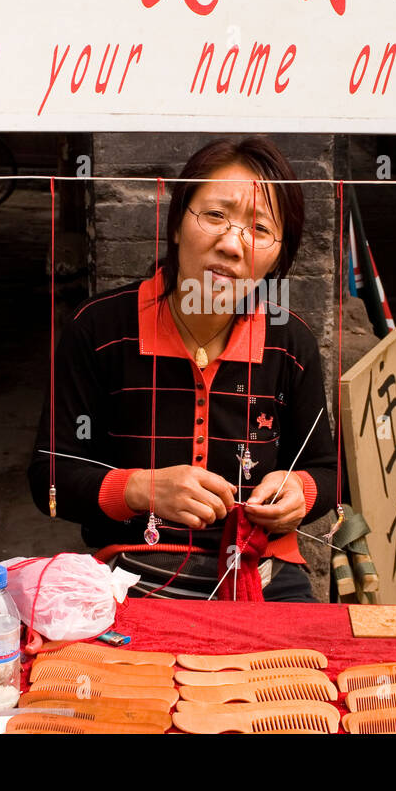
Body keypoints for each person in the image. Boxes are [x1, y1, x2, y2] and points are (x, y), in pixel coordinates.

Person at [27, 136, 341, 600]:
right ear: (176, 224)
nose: (232, 244)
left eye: (258, 228)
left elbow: (327, 471)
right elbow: (49, 475)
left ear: (278, 257)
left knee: (300, 670)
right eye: (215, 215)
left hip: (260, 571)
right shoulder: (98, 330)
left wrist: (301, 490)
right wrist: (140, 489)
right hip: (131, 575)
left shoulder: (289, 342)